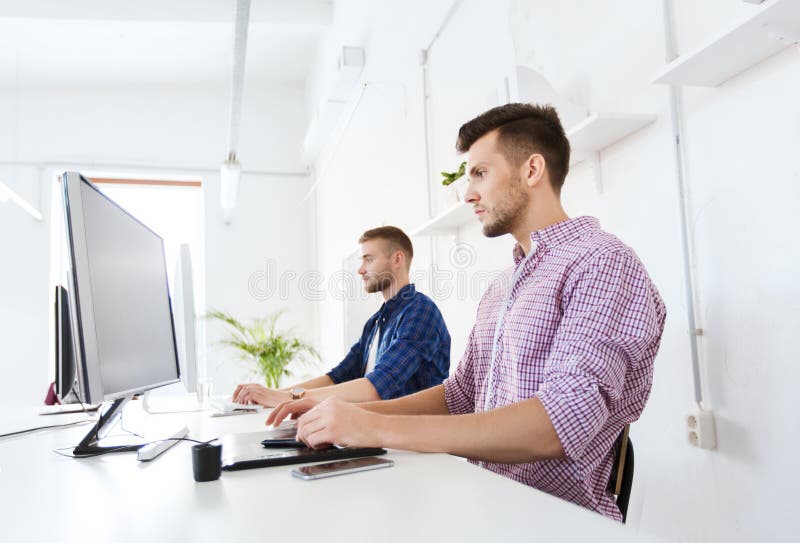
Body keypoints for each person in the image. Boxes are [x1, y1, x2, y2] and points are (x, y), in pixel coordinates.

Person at [267, 103, 666, 521]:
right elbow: (460, 396)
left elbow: (560, 421)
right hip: (483, 503)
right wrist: (345, 415)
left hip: (552, 521)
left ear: (532, 170)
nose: (468, 193)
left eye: (480, 173)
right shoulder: (502, 287)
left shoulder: (602, 263)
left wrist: (374, 428)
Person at [233, 226, 451, 407]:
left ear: (397, 259)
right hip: (377, 434)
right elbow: (337, 377)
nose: (360, 270)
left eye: (368, 260)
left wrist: (287, 399)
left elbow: (378, 386)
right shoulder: (375, 322)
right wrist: (274, 395)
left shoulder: (420, 311)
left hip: (413, 440)